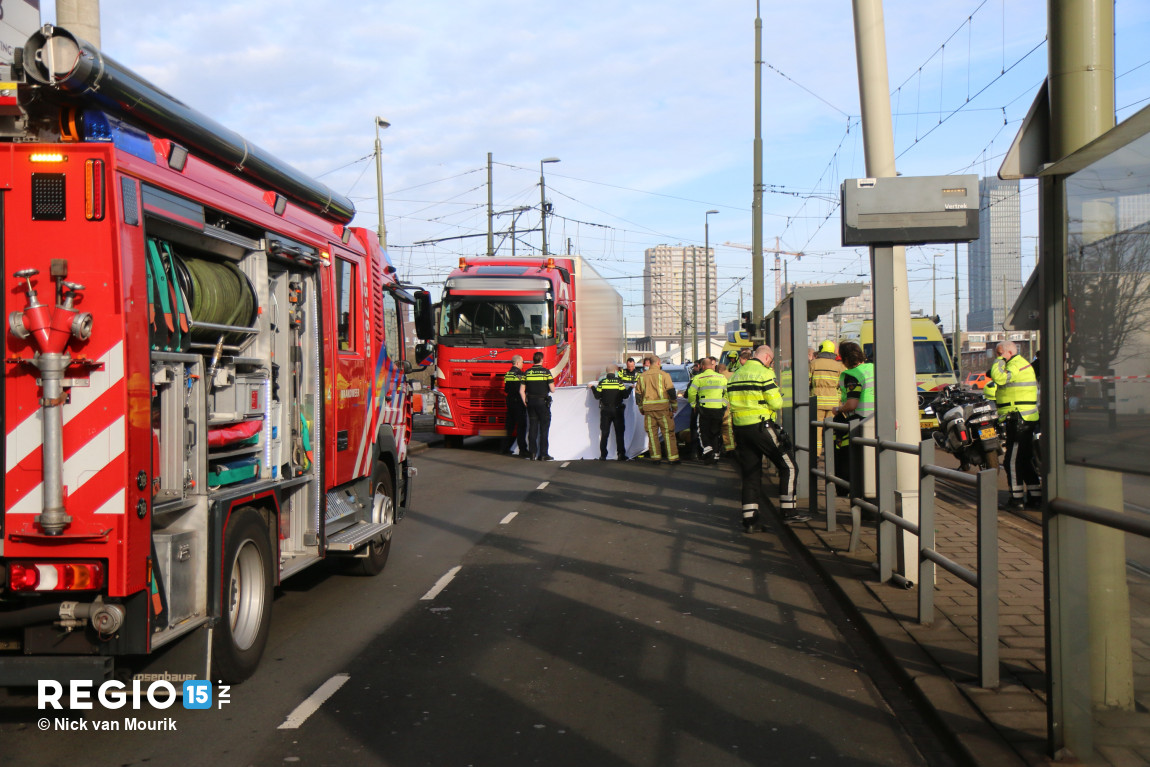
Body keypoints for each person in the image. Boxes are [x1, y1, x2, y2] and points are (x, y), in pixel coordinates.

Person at [728, 345, 808, 529]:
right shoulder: (764, 374)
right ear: (766, 358)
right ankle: (789, 511)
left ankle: (750, 520)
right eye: (771, 361)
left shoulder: (736, 375)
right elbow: (776, 402)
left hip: (740, 428)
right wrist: (778, 394)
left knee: (751, 473)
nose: (771, 364)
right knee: (789, 466)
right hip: (761, 426)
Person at [989, 340, 1040, 509]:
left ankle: (1016, 499)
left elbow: (1000, 378)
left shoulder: (1016, 364)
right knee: (1024, 460)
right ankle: (1035, 496)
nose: (998, 356)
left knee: (1012, 460)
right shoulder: (1018, 364)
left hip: (1019, 418)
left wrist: (998, 361)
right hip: (1021, 418)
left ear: (1008, 352)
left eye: (999, 353)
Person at [832, 341, 874, 485]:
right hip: (877, 420)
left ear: (845, 358)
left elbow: (852, 404)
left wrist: (838, 409)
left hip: (860, 421)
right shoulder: (873, 368)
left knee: (851, 456)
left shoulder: (852, 375)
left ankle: (849, 486)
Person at [635, 355, 679, 463]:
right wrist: (674, 405)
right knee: (668, 433)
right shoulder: (664, 375)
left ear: (649, 363)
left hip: (648, 410)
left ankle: (656, 457)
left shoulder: (642, 376)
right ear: (658, 363)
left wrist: (641, 408)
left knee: (652, 434)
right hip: (663, 409)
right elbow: (671, 391)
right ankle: (672, 458)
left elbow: (638, 395)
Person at [686, 356, 727, 463]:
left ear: (703, 366)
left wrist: (693, 404)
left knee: (703, 431)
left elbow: (691, 393)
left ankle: (708, 449)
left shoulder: (698, 378)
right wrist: (723, 404)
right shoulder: (722, 378)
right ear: (712, 366)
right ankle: (716, 454)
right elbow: (727, 393)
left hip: (704, 409)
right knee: (716, 432)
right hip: (718, 409)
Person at [809, 340, 845, 456]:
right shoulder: (839, 366)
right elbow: (842, 386)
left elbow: (807, 381)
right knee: (831, 429)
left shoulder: (813, 364)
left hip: (817, 402)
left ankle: (817, 453)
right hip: (833, 404)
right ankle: (830, 454)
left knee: (817, 430)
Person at [589, 365, 630, 460]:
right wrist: (631, 388)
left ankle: (603, 455)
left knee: (605, 433)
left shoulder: (602, 382)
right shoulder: (619, 382)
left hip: (605, 411)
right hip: (618, 410)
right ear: (615, 371)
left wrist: (592, 388)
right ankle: (621, 454)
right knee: (619, 433)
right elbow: (625, 396)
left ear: (606, 372)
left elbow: (597, 396)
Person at [523, 351, 556, 460]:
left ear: (533, 360)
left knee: (532, 428)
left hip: (531, 402)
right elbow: (552, 389)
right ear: (541, 359)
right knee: (544, 429)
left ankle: (532, 453)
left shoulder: (527, 372)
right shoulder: (546, 372)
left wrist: (525, 401)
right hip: (543, 403)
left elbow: (521, 390)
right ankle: (543, 454)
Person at [501, 354, 529, 457]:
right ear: (517, 363)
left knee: (509, 426)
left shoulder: (507, 374)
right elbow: (522, 389)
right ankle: (523, 450)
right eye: (522, 362)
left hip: (509, 402)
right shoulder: (520, 375)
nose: (523, 364)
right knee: (521, 427)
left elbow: (506, 389)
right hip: (518, 402)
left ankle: (504, 448)